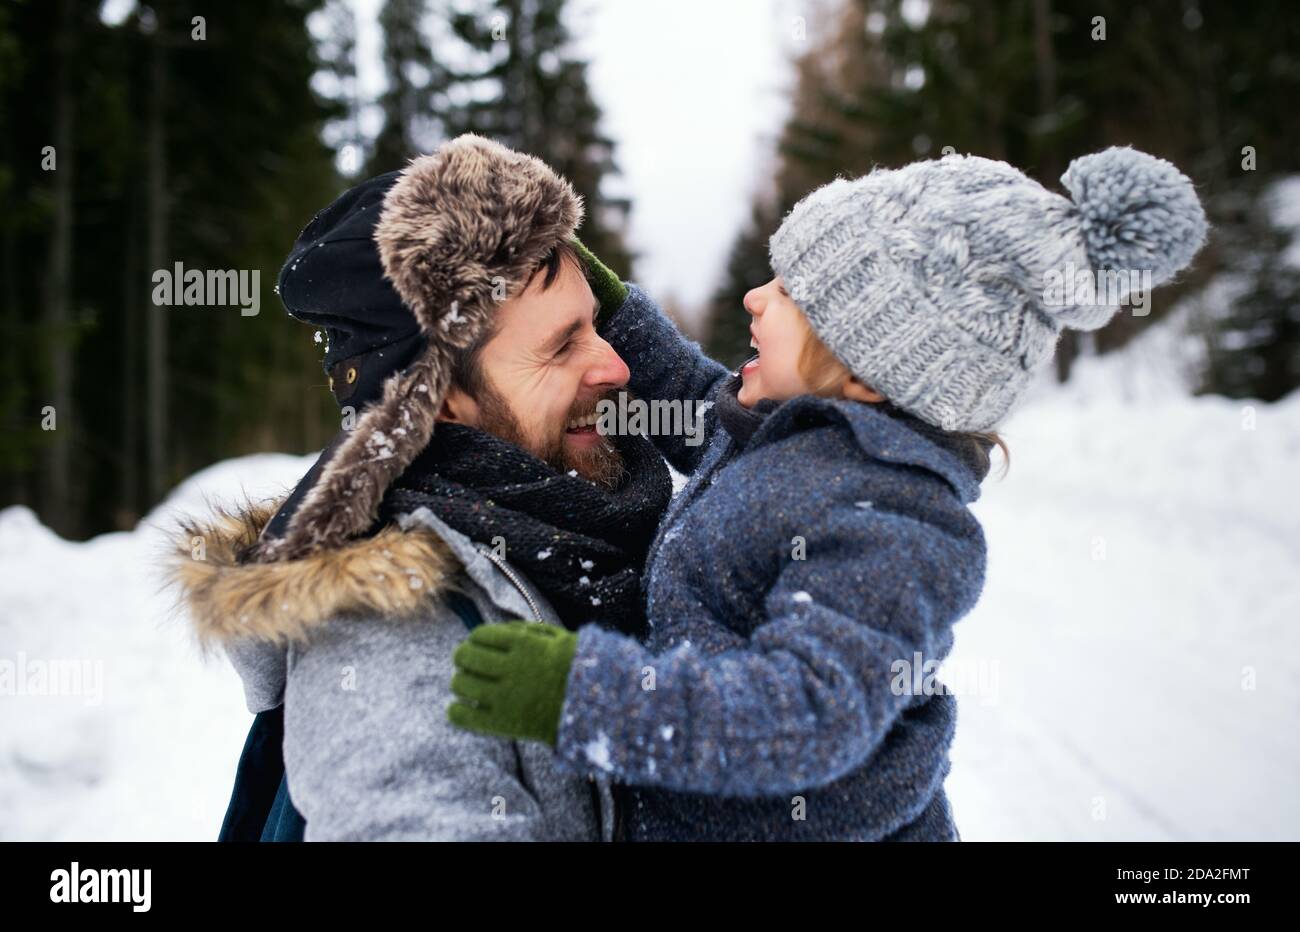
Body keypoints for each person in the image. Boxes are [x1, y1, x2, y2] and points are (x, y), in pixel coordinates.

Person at [447, 146, 1209, 841]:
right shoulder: (788, 437)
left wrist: (590, 699)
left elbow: (806, 715)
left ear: (866, 370)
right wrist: (612, 315)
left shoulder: (895, 522)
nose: (754, 297)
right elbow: (689, 395)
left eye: (787, 293)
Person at [169, 134, 672, 840]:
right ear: (435, 400)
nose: (617, 366)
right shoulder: (394, 644)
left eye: (595, 326)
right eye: (561, 345)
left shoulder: (629, 538)